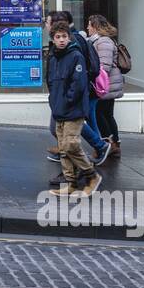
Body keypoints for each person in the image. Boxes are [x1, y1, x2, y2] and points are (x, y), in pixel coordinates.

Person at [44, 10, 110, 170]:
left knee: (64, 128)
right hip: (67, 95)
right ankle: (95, 147)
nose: (45, 25)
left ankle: (93, 153)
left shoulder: (73, 43)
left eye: (47, 22)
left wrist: (67, 98)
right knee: (81, 123)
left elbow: (77, 73)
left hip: (75, 95)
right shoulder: (64, 43)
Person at [47, 21, 102, 196]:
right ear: (53, 39)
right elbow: (50, 82)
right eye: (58, 37)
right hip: (58, 107)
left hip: (73, 108)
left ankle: (91, 176)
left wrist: (67, 100)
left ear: (69, 37)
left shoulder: (76, 56)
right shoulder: (53, 57)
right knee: (63, 148)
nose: (61, 40)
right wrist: (53, 101)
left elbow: (78, 84)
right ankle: (71, 183)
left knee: (71, 145)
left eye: (64, 36)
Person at [87, 14, 125, 161]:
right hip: (108, 84)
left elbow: (104, 66)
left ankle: (109, 145)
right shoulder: (102, 40)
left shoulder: (103, 42)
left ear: (96, 27)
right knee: (106, 114)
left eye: (89, 25)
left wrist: (94, 78)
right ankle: (114, 145)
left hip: (106, 85)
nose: (87, 28)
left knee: (100, 114)